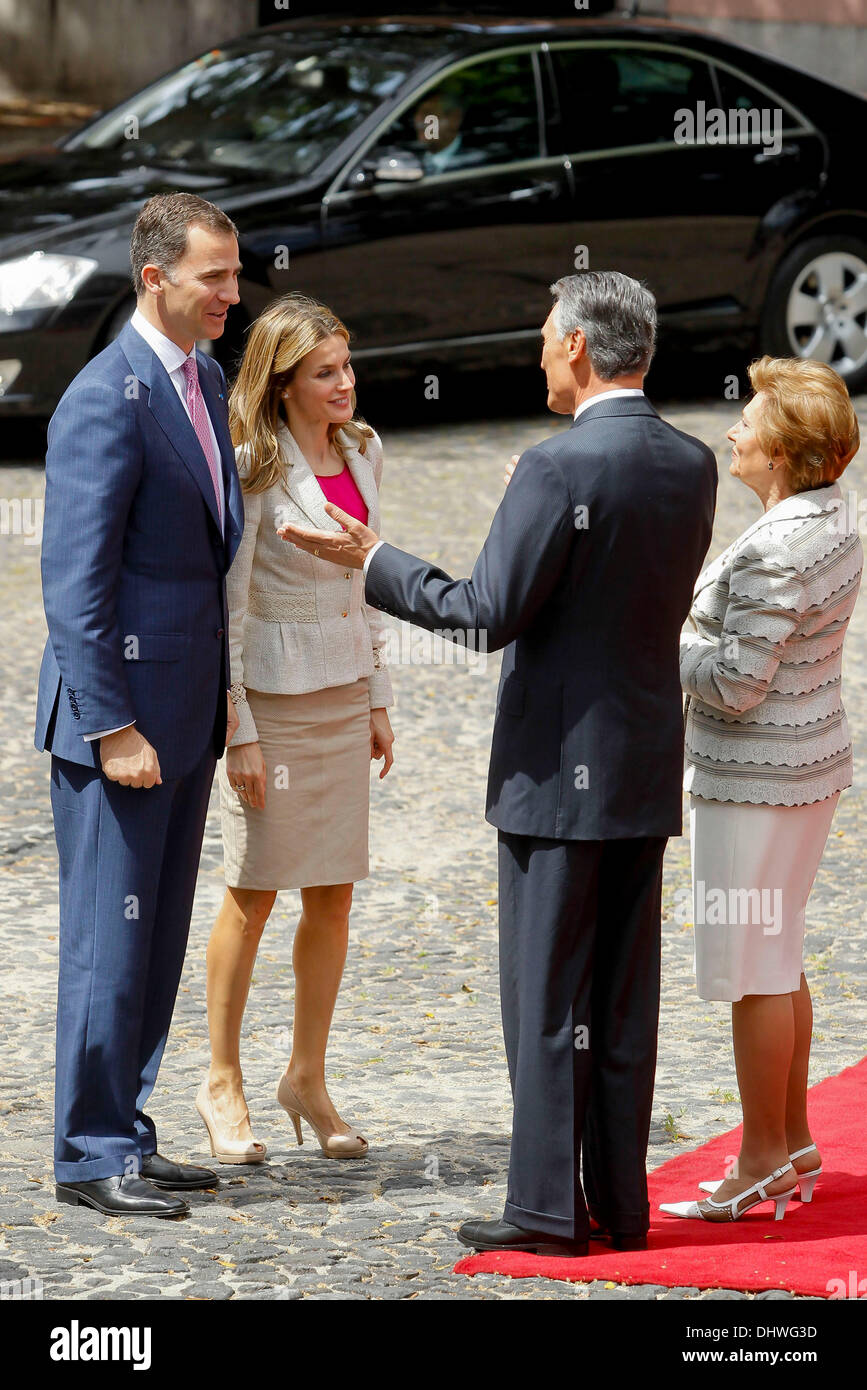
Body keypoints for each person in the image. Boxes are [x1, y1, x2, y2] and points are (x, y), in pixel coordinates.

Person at [276, 270, 718, 1256]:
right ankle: (621, 1204)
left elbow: (482, 612)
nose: (537, 354)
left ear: (577, 350)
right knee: (620, 1001)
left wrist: (374, 559)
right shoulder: (691, 461)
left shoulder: (555, 468)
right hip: (641, 766)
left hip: (560, 776)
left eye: (544, 337)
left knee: (545, 1002)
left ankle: (546, 1212)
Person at [35, 191, 244, 1217]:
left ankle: (129, 1124)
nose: (231, 296)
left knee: (154, 943)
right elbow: (75, 585)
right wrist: (112, 726)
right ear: (156, 276)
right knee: (107, 943)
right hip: (119, 728)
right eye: (215, 278)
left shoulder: (201, 377)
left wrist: (220, 704)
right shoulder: (99, 397)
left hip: (186, 717)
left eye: (237, 277)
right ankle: (87, 1152)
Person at [660, 357, 862, 1225]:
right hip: (803, 771)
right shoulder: (832, 518)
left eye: (748, 422)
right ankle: (793, 1139)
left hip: (752, 781)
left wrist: (654, 642)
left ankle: (758, 1158)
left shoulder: (779, 546)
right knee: (777, 957)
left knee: (753, 971)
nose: (733, 432)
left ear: (781, 451)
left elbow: (737, 682)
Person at [195, 293, 395, 1165]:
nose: (343, 383)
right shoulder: (252, 464)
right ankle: (221, 1080)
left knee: (334, 892)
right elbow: (227, 606)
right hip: (270, 705)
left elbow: (365, 581)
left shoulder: (364, 447)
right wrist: (238, 728)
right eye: (325, 373)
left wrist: (380, 695)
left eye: (346, 367)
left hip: (343, 691)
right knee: (253, 887)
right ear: (283, 385)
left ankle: (305, 1078)